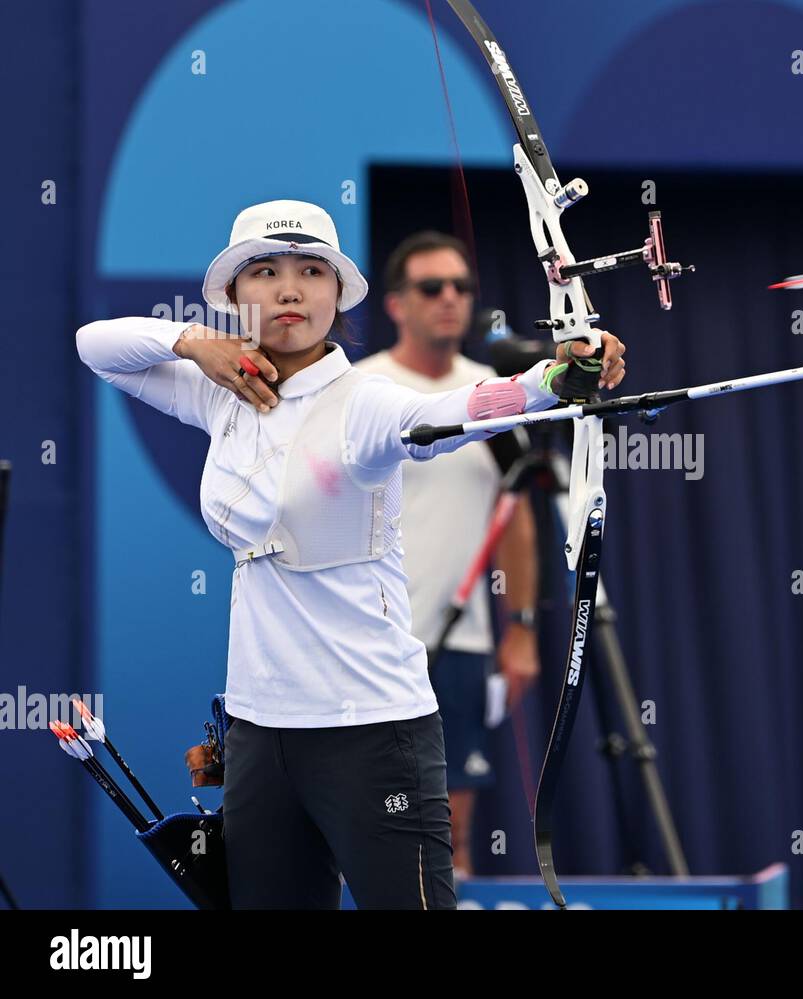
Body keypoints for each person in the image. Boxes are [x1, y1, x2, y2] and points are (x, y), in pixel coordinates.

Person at [75, 200, 627, 909]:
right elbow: (95, 343)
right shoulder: (222, 394)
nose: (290, 289)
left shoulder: (365, 400)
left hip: (372, 729)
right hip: (258, 730)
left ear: (338, 294)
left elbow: (457, 412)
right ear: (236, 297)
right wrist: (192, 343)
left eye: (312, 271)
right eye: (265, 272)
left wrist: (551, 383)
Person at [356, 232, 539, 877]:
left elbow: (514, 513)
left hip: (460, 646)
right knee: (361, 829)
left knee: (449, 837)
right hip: (366, 645)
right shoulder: (360, 388)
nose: (451, 300)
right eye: (432, 287)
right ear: (397, 304)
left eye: (462, 287)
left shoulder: (490, 392)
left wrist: (519, 630)